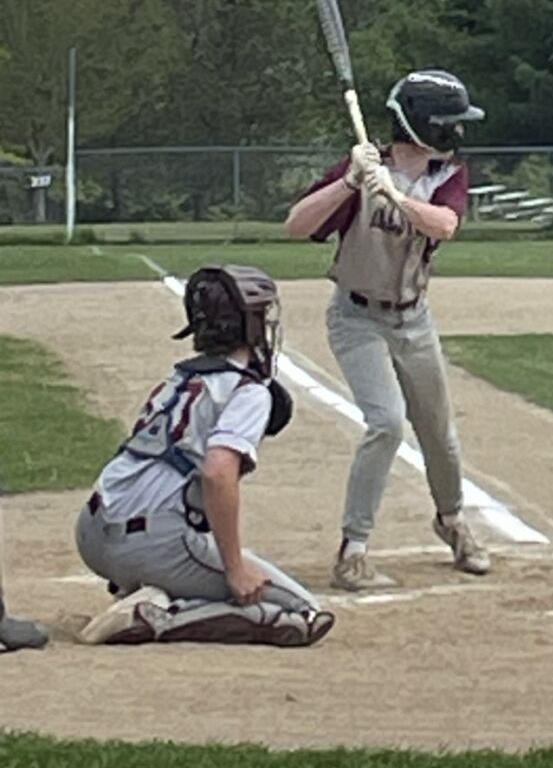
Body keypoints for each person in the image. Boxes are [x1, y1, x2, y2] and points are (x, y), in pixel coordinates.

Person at [284, 69, 490, 591]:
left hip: (413, 318)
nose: (459, 134)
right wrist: (351, 184)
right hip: (357, 319)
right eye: (451, 124)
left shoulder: (448, 176)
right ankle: (353, 551)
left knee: (439, 434)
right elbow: (297, 225)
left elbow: (444, 225)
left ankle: (452, 521)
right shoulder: (362, 167)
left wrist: (395, 197)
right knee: (386, 423)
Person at [74, 265, 333, 647]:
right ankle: (159, 616)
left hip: (91, 534)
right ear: (248, 324)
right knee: (302, 614)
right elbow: (217, 474)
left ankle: (149, 591)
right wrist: (235, 570)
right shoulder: (248, 391)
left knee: (188, 529)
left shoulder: (177, 379)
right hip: (150, 545)